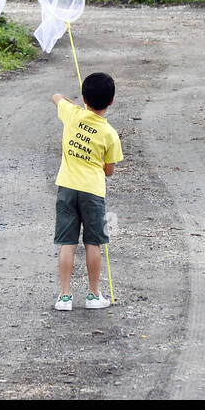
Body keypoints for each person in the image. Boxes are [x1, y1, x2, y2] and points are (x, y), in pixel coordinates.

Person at [50, 72, 123, 310]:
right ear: (111, 101)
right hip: (92, 192)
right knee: (93, 242)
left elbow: (56, 96)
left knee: (67, 243)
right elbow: (109, 170)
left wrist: (72, 105)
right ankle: (93, 295)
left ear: (83, 97)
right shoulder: (110, 133)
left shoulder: (72, 114)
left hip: (67, 188)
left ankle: (64, 296)